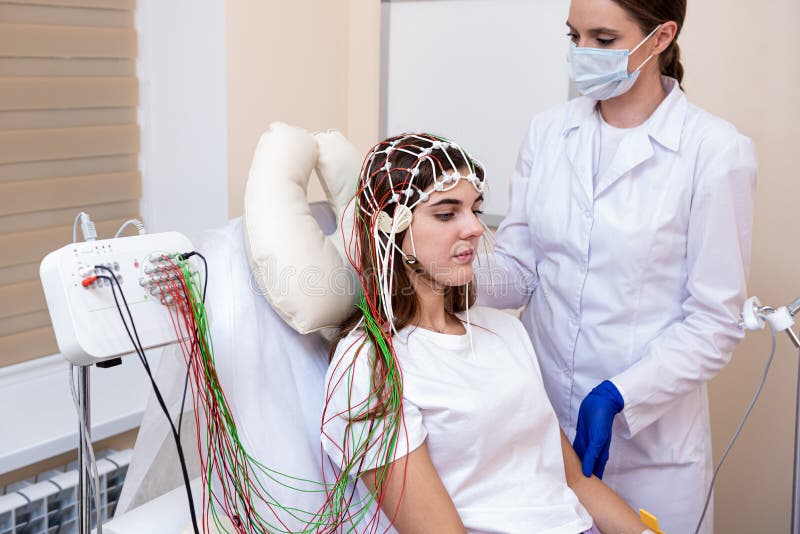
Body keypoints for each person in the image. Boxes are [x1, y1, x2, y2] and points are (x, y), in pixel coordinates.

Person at [476, 1, 757, 532]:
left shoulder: (715, 151)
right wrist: (439, 270)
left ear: (660, 37)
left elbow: (715, 321)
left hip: (652, 449)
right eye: (574, 36)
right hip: (543, 429)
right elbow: (519, 269)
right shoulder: (548, 132)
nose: (582, 54)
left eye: (603, 39)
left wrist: (620, 394)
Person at [321, 133, 649, 533]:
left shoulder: (504, 331)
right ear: (390, 227)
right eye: (447, 214)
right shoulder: (369, 366)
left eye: (475, 209)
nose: (475, 228)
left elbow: (576, 480)